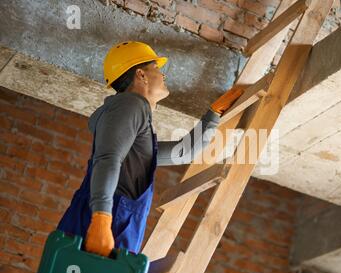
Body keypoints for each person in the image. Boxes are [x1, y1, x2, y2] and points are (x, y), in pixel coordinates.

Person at [57, 41, 244, 257]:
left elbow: (183, 152)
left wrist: (213, 114)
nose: (163, 75)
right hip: (105, 220)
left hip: (117, 221)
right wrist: (101, 217)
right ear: (141, 75)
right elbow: (108, 159)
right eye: (156, 68)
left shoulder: (133, 117)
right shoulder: (130, 105)